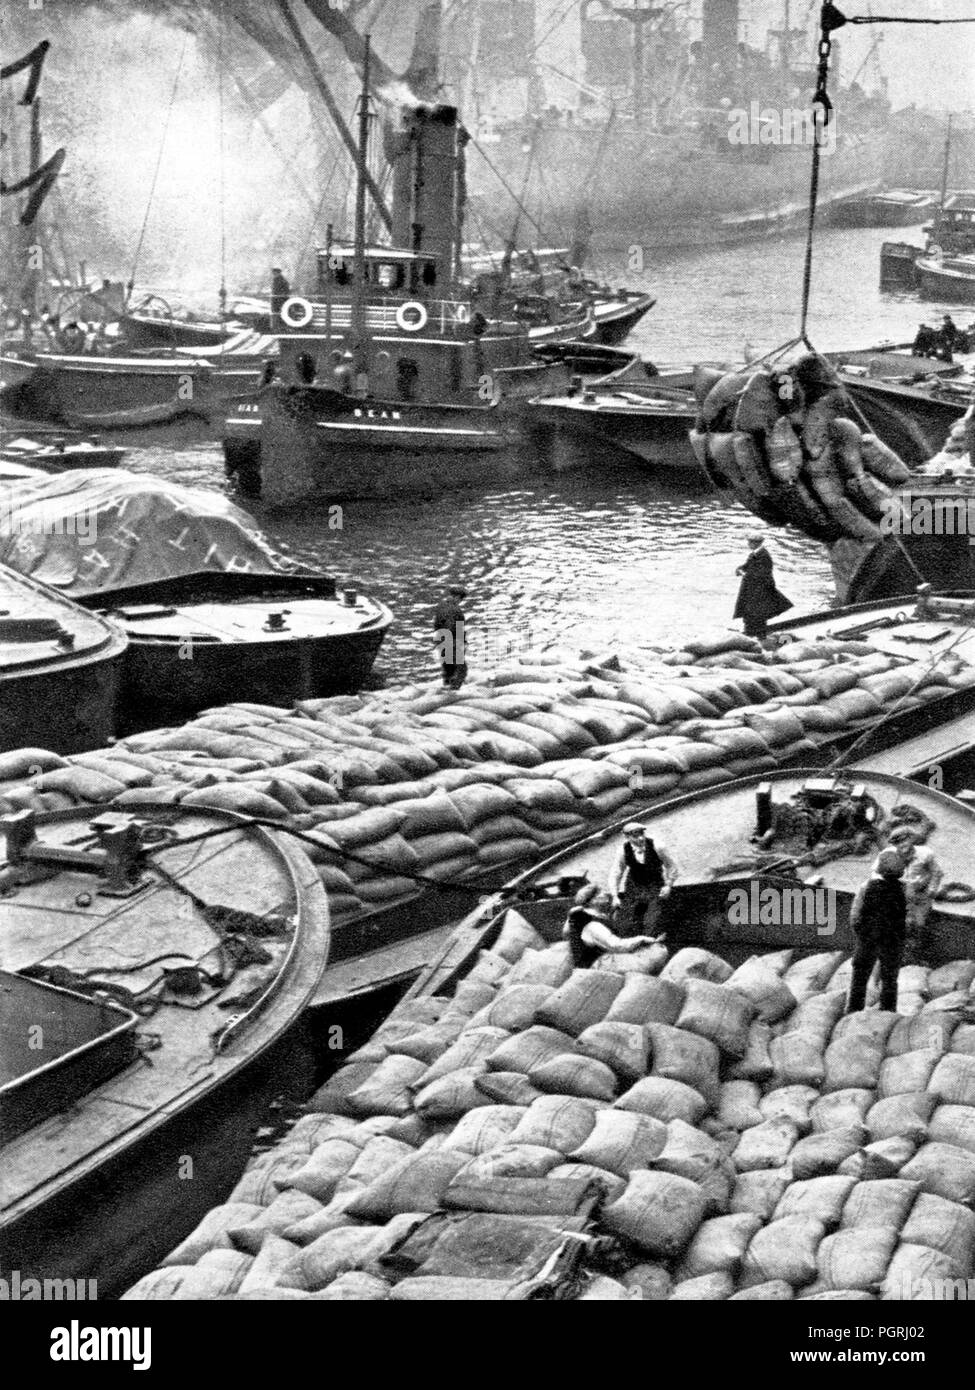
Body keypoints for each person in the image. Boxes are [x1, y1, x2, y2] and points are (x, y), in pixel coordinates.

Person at [846, 848, 907, 1014]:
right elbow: (908, 917)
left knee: (859, 976)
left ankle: (853, 1009)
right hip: (892, 940)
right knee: (890, 979)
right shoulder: (905, 890)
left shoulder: (866, 886)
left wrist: (860, 933)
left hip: (868, 938)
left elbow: (855, 914)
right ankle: (888, 1010)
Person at [563, 885, 659, 969]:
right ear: (592, 901)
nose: (605, 893)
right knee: (648, 960)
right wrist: (641, 939)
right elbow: (616, 945)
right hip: (596, 965)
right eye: (599, 893)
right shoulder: (592, 925)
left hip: (602, 958)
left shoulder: (595, 916)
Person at [887, 823, 943, 962]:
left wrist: (931, 889)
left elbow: (937, 872)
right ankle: (900, 953)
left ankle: (917, 954)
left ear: (912, 839)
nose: (903, 845)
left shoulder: (924, 854)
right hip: (902, 894)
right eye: (898, 843)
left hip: (921, 895)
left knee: (919, 925)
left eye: (905, 841)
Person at [608, 823, 677, 934]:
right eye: (635, 836)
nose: (640, 838)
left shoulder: (658, 846)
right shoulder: (622, 850)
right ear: (627, 837)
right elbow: (616, 873)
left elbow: (671, 866)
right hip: (633, 886)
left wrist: (668, 885)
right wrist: (615, 896)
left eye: (641, 834)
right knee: (626, 921)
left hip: (654, 885)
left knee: (652, 921)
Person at [733, 534, 792, 641]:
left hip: (760, 589)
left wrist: (745, 574)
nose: (748, 544)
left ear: (756, 543)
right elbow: (748, 565)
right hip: (752, 588)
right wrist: (740, 568)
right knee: (749, 612)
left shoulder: (764, 556)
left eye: (750, 542)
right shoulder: (755, 554)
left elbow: (762, 574)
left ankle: (760, 636)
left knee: (758, 613)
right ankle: (750, 633)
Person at [433, 585, 468, 689]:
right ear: (457, 597)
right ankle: (453, 694)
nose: (460, 601)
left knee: (448, 671)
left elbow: (437, 625)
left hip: (441, 642)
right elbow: (457, 629)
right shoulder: (456, 611)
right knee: (461, 671)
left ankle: (446, 689)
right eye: (461, 599)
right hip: (451, 644)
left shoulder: (441, 606)